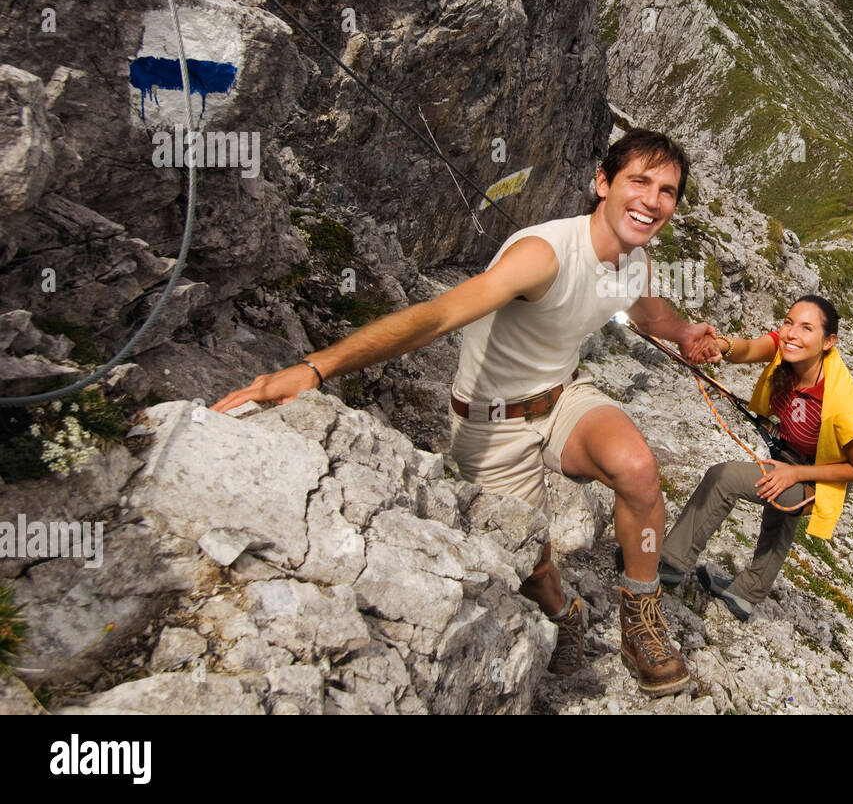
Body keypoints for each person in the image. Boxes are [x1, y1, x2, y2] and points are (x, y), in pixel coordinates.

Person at [213, 128, 716, 697]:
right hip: (490, 423)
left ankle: (640, 618)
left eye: (667, 191)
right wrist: (316, 367)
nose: (652, 200)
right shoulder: (543, 255)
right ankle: (564, 610)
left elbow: (648, 313)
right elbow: (437, 315)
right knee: (534, 566)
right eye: (639, 182)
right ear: (602, 183)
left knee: (639, 470)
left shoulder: (634, 259)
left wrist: (684, 332)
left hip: (564, 397)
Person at [658, 295, 853, 621]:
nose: (791, 333)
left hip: (816, 481)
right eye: (789, 322)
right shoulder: (784, 353)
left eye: (806, 328)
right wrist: (719, 345)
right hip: (789, 458)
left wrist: (796, 474)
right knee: (777, 522)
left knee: (725, 478)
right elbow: (746, 349)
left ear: (828, 342)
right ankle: (746, 594)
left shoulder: (841, 403)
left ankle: (670, 564)